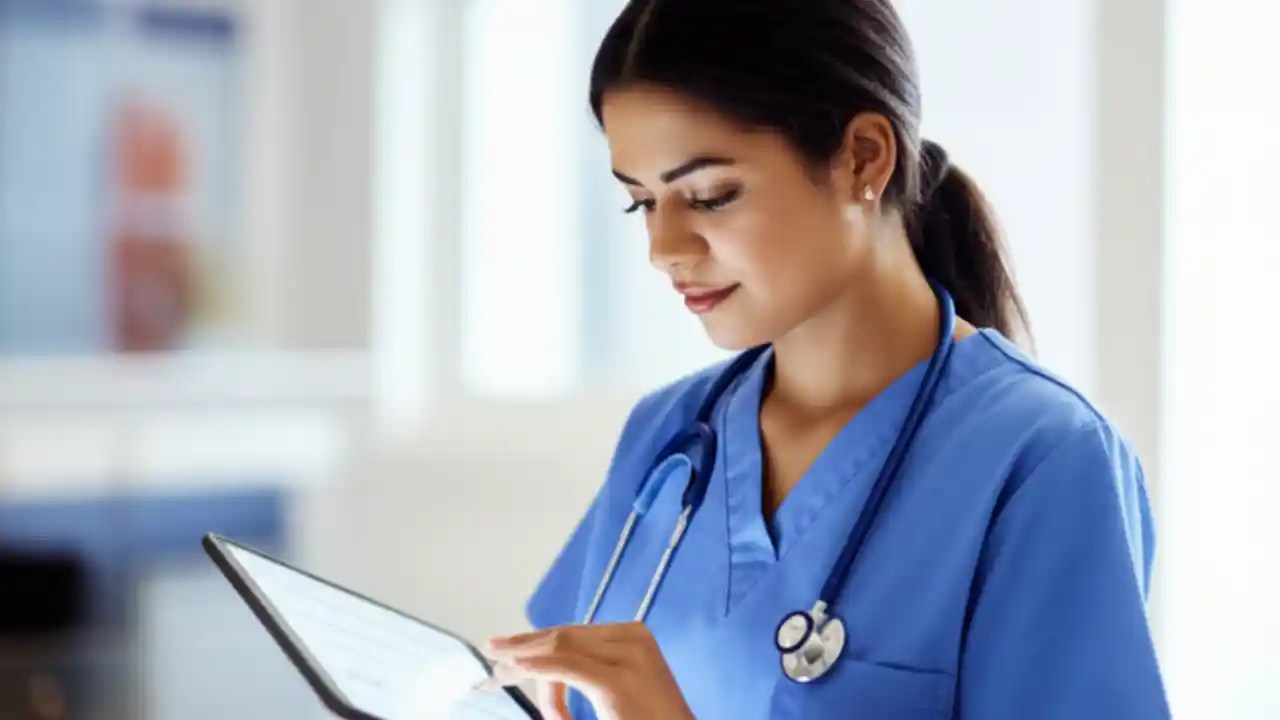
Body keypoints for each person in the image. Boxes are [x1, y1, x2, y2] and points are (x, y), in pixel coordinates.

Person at [485, 1, 1170, 718]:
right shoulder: (671, 436)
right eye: (642, 204)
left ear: (863, 158)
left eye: (711, 196)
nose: (665, 249)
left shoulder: (1041, 458)